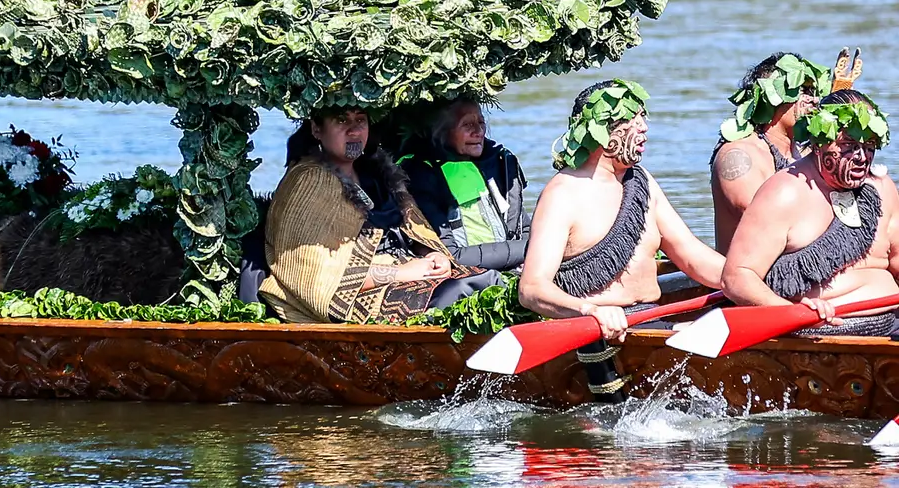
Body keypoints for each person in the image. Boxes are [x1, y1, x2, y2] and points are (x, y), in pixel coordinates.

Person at [518, 79, 724, 400]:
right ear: (602, 130)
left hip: (652, 321)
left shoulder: (641, 182)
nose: (644, 128)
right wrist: (589, 310)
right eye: (633, 119)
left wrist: (751, 280)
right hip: (598, 335)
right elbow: (531, 289)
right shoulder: (562, 195)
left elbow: (691, 255)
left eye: (644, 118)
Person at [259, 108, 501, 323]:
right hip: (359, 295)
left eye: (360, 120)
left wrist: (433, 254)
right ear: (316, 129)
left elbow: (416, 231)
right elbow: (311, 275)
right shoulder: (309, 181)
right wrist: (402, 273)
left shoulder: (379, 174)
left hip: (412, 269)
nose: (354, 130)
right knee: (457, 291)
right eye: (342, 120)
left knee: (492, 282)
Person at [721, 90, 899, 335]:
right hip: (815, 331)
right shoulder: (785, 193)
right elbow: (737, 278)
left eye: (868, 145)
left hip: (890, 323)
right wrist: (792, 314)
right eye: (848, 145)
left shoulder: (881, 188)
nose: (861, 157)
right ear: (818, 143)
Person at [711, 53, 829, 253]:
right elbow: (764, 223)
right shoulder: (738, 155)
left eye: (814, 91)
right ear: (772, 96)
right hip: (752, 269)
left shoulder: (807, 153)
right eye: (804, 91)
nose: (815, 100)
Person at [399, 99, 530, 275]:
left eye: (481, 122)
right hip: (466, 276)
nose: (479, 131)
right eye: (467, 124)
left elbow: (523, 227)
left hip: (513, 262)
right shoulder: (420, 175)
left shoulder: (497, 164)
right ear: (441, 131)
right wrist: (530, 250)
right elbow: (451, 255)